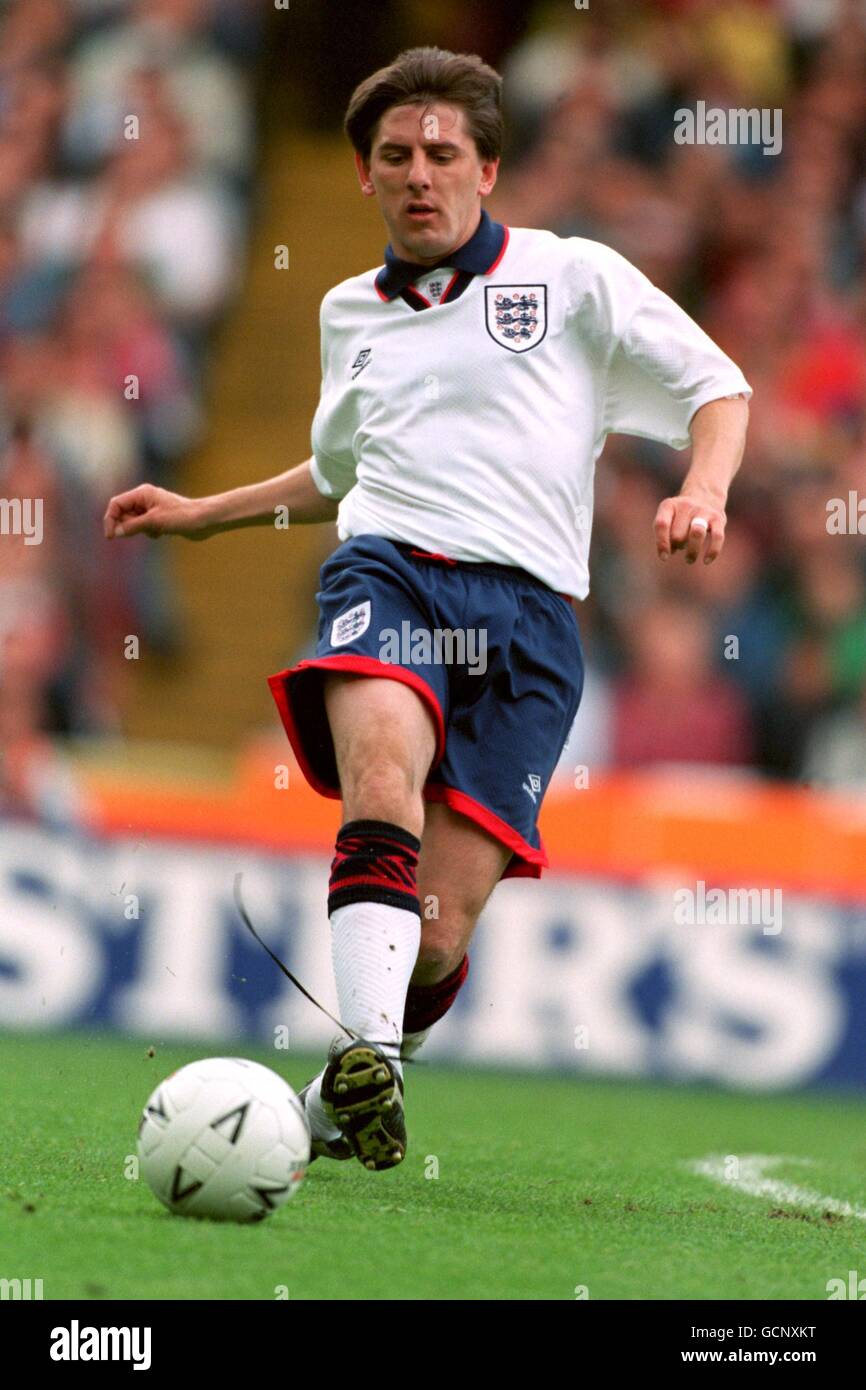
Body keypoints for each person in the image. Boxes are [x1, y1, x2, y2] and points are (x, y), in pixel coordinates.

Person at [103, 46, 751, 1172]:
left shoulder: (570, 278)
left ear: (486, 167)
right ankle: (367, 1048)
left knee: (439, 938)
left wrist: (700, 490)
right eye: (393, 155)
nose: (417, 173)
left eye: (441, 154)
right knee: (382, 779)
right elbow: (343, 472)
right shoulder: (347, 312)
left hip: (532, 625)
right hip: (390, 574)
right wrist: (206, 513)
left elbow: (717, 386)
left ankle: (316, 1112)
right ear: (362, 175)